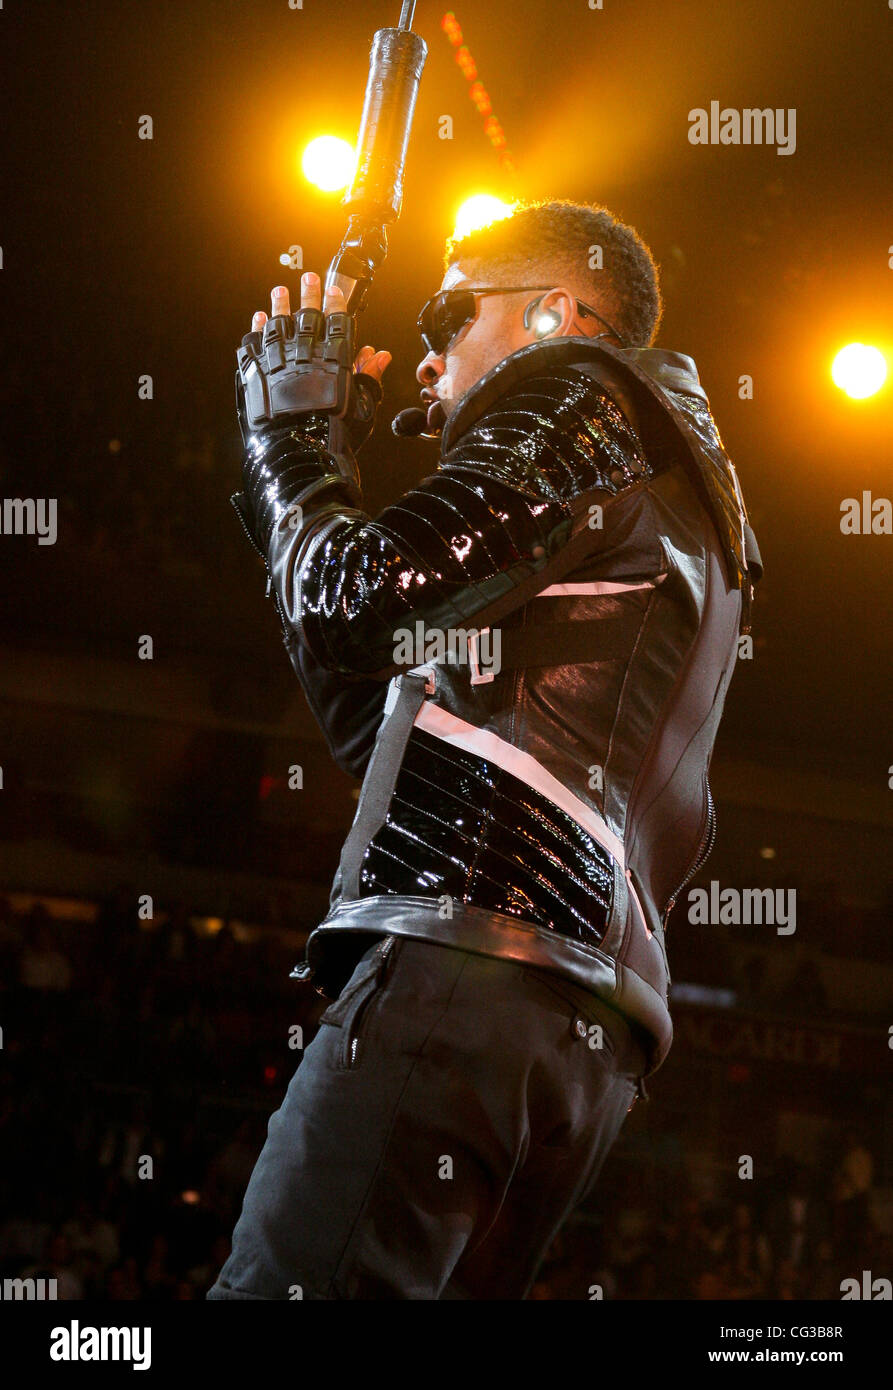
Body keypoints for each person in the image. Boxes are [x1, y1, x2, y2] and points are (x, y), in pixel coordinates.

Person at [207, 199, 761, 1300]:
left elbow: (347, 602)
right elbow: (375, 723)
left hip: (465, 963)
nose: (421, 359)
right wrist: (313, 474)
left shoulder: (585, 395)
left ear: (553, 313)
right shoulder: (685, 496)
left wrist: (288, 440)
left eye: (446, 316)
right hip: (570, 1030)